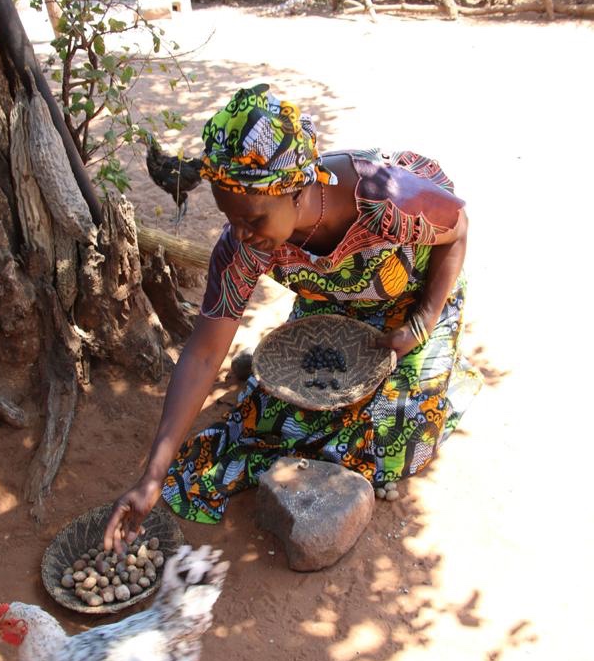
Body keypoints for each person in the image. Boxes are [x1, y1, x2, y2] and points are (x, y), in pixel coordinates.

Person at [103, 84, 482, 551]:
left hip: (413, 294)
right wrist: (151, 476)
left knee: (391, 438)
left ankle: (437, 359)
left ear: (298, 192)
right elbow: (202, 354)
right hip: (333, 304)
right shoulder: (241, 246)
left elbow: (458, 230)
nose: (242, 233)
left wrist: (421, 323)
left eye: (255, 220)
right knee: (269, 422)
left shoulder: (384, 196)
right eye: (230, 217)